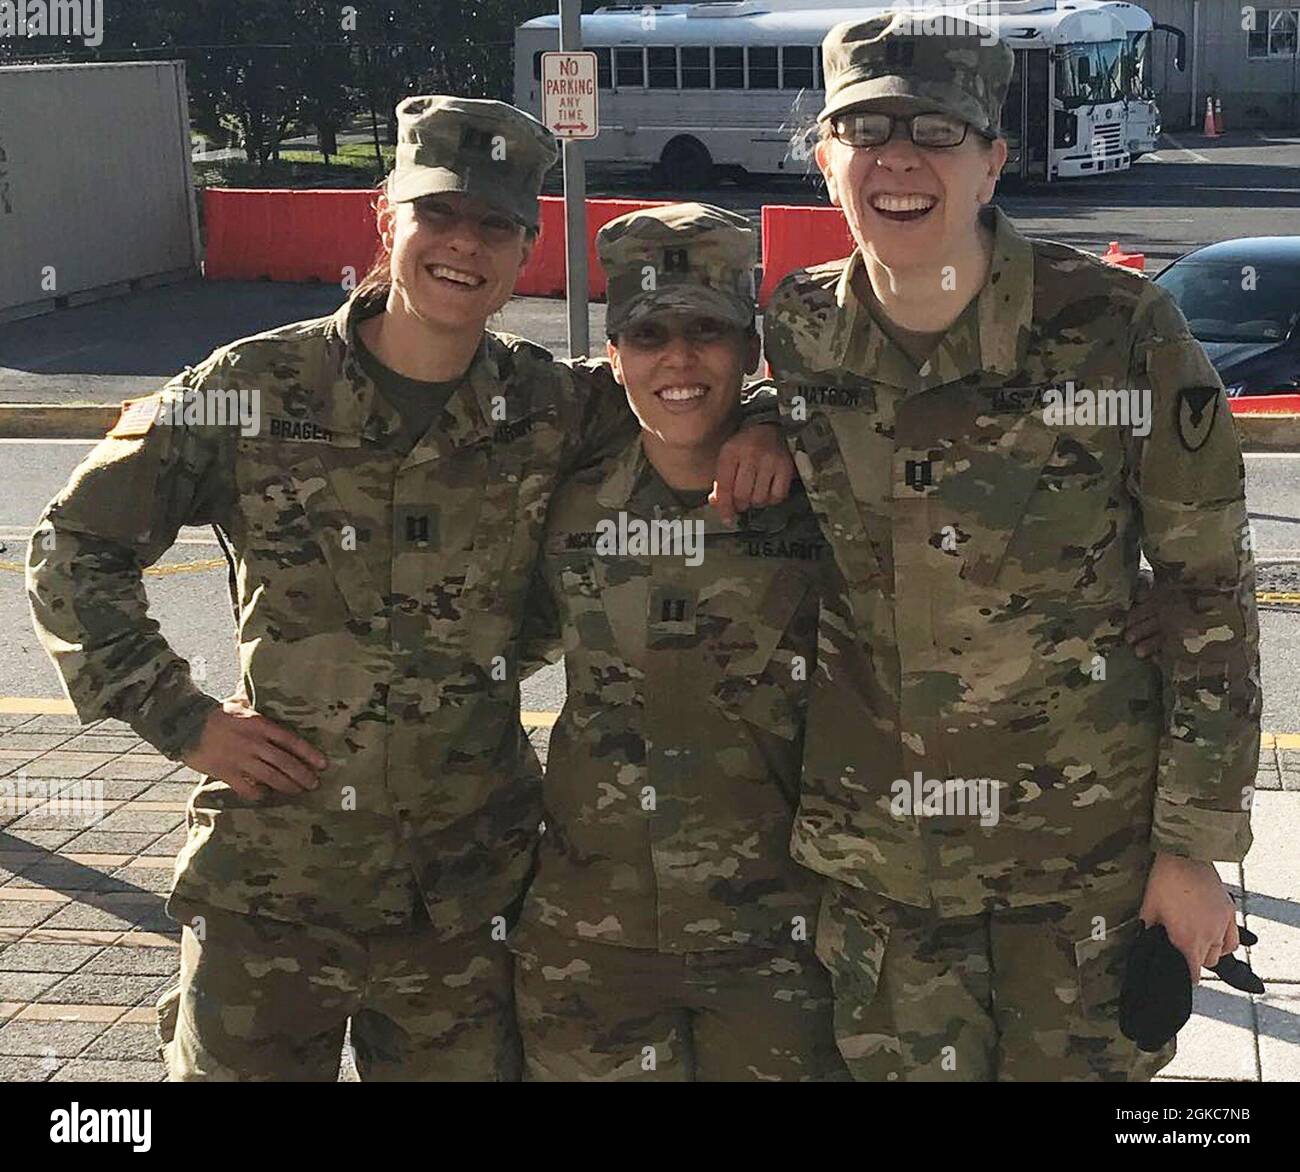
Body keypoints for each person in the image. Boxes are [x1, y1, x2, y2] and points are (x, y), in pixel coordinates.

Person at [26, 96, 786, 1082]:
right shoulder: (250, 385)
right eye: (440, 213)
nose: (463, 244)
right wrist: (183, 719)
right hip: (274, 888)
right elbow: (73, 543)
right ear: (387, 217)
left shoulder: (550, 403)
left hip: (461, 902)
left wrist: (764, 416)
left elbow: (690, 381)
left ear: (525, 250)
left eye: (495, 225)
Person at [763, 13, 1262, 1082]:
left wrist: (1192, 845)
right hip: (880, 867)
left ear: (992, 159)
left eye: (937, 131)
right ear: (825, 161)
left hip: (1079, 861)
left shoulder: (1121, 331)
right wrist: (755, 426)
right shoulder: (799, 330)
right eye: (865, 129)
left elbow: (1207, 590)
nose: (898, 158)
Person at [508, 203, 846, 1081]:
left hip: (777, 941)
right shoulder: (564, 497)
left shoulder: (824, 496)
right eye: (649, 333)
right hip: (594, 941)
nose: (679, 359)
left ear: (750, 350)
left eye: (708, 331)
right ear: (612, 354)